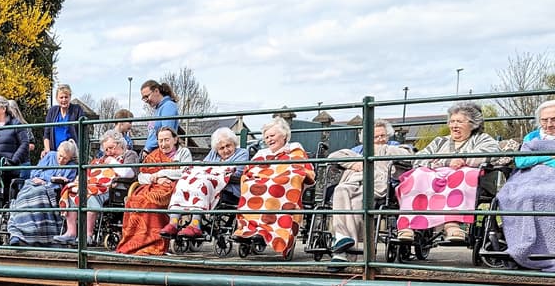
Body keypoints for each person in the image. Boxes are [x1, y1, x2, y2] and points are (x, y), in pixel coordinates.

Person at [396, 102, 501, 244]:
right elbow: (418, 159)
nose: (454, 125)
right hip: (435, 182)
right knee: (417, 174)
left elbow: (491, 154)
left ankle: (452, 224)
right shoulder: (440, 142)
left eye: (459, 121)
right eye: (452, 121)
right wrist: (447, 162)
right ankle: (408, 225)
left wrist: (463, 160)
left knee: (461, 174)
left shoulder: (483, 139)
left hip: (468, 183)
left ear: (473, 124)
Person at [326, 120, 411, 263]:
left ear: (388, 136)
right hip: (354, 182)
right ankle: (343, 239)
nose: (379, 139)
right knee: (340, 189)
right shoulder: (358, 150)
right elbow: (332, 157)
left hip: (377, 184)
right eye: (375, 137)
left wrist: (381, 150)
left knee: (358, 202)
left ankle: (342, 254)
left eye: (382, 136)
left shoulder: (393, 146)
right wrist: (354, 163)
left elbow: (409, 155)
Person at [232, 117, 316, 257]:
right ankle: (252, 229)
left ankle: (269, 231)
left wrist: (276, 176)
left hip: (283, 184)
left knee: (276, 186)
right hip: (264, 183)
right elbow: (251, 170)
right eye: (266, 137)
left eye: (272, 135)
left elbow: (299, 168)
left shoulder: (294, 148)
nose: (269, 139)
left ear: (284, 135)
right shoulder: (262, 153)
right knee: (250, 184)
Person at [496, 100, 555, 271]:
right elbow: (521, 161)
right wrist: (548, 157)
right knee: (523, 195)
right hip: (528, 177)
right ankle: (525, 246)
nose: (549, 124)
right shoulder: (532, 137)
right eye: (544, 120)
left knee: (549, 195)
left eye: (554, 119)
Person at [115, 127, 191, 255]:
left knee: (152, 201)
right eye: (160, 141)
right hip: (154, 184)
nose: (163, 144)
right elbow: (141, 175)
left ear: (175, 139)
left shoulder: (183, 152)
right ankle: (135, 242)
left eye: (167, 140)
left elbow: (186, 171)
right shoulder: (153, 155)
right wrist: (155, 179)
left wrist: (162, 173)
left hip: (174, 186)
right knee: (134, 200)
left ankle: (155, 241)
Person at [54, 130, 137, 245]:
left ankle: (88, 235)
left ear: (120, 144)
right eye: (106, 150)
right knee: (72, 189)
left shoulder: (129, 154)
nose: (109, 152)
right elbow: (89, 171)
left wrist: (112, 162)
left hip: (116, 188)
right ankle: (71, 232)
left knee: (89, 193)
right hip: (95, 185)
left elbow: (129, 173)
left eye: (111, 148)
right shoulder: (102, 159)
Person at [164, 127, 247, 239]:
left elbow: (239, 172)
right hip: (211, 186)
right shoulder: (213, 154)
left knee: (203, 183)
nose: (226, 150)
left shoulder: (242, 153)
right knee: (184, 181)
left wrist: (213, 171)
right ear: (216, 149)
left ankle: (195, 224)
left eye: (228, 146)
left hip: (229, 190)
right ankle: (173, 222)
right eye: (221, 148)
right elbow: (203, 166)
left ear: (234, 143)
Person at [6, 140, 78, 247]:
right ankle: (18, 231)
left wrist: (49, 180)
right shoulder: (50, 156)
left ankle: (29, 234)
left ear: (70, 158)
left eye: (65, 158)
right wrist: (50, 178)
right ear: (57, 151)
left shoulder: (72, 167)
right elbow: (34, 173)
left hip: (51, 190)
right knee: (23, 196)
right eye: (60, 156)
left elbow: (67, 183)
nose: (61, 160)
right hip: (32, 184)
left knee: (39, 193)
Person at [0, 95, 30, 194]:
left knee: (8, 194)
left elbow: (24, 143)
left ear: (3, 109)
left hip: (10, 168)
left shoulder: (16, 124)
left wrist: (13, 160)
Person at [42, 84, 86, 158]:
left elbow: (83, 131)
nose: (64, 100)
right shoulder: (52, 111)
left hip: (71, 154)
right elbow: (46, 134)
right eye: (61, 97)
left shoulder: (77, 110)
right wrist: (47, 151)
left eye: (66, 97)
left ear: (70, 97)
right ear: (57, 98)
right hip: (55, 153)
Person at [140, 81, 180, 151]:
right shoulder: (158, 109)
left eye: (147, 96)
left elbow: (167, 133)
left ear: (156, 91)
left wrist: (148, 149)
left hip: (159, 152)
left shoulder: (168, 106)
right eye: (144, 98)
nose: (146, 100)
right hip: (152, 151)